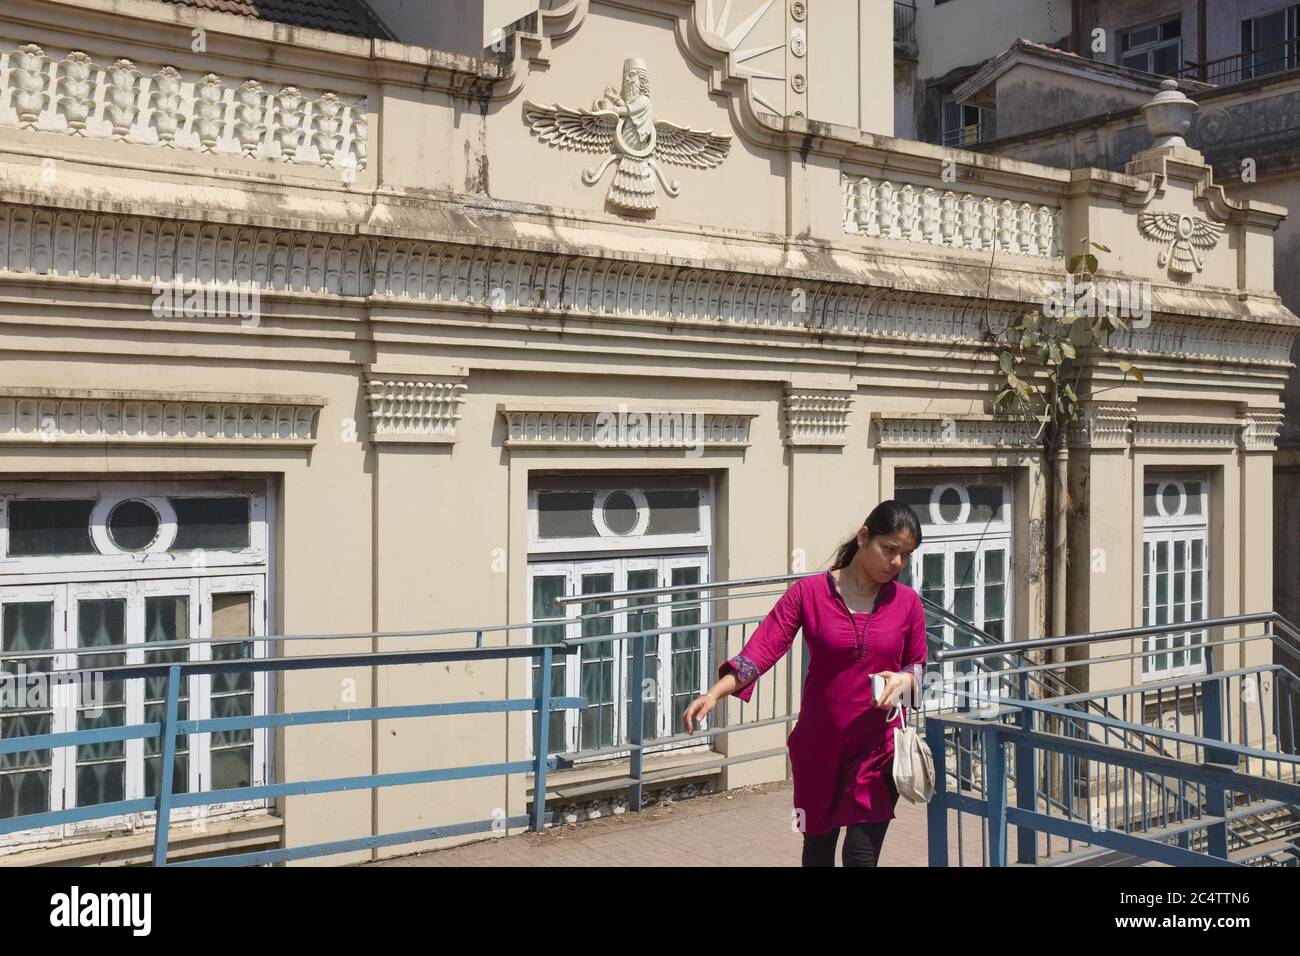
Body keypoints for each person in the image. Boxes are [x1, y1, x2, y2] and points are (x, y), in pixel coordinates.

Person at [682, 500, 926, 867]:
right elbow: (762, 649)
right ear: (864, 536)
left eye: (905, 556)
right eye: (889, 549)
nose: (895, 563)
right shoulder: (809, 593)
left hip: (878, 749)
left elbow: (918, 666)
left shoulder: (907, 603)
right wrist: (715, 693)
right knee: (817, 850)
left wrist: (906, 679)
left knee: (861, 856)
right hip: (818, 748)